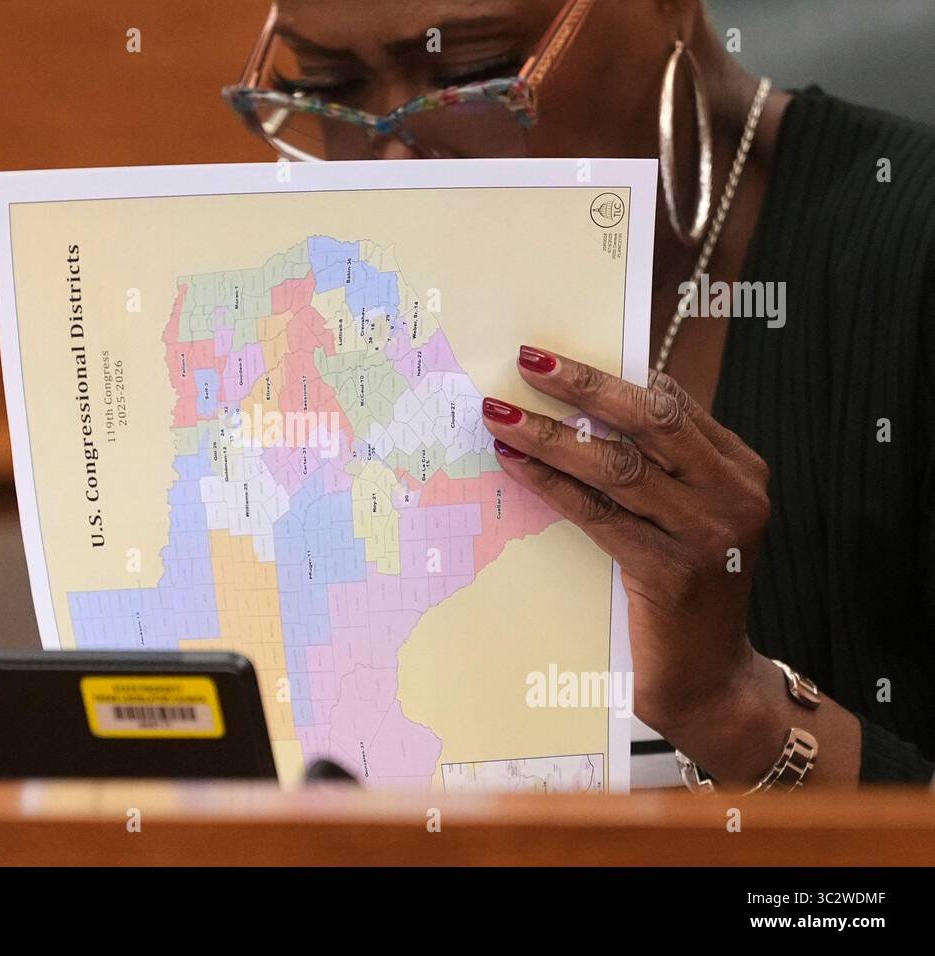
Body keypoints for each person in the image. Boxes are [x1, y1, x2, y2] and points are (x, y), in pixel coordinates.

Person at [222, 0, 935, 788]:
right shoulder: (313, 319)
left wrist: (733, 708)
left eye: (475, 71)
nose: (388, 155)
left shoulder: (906, 263)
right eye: (331, 82)